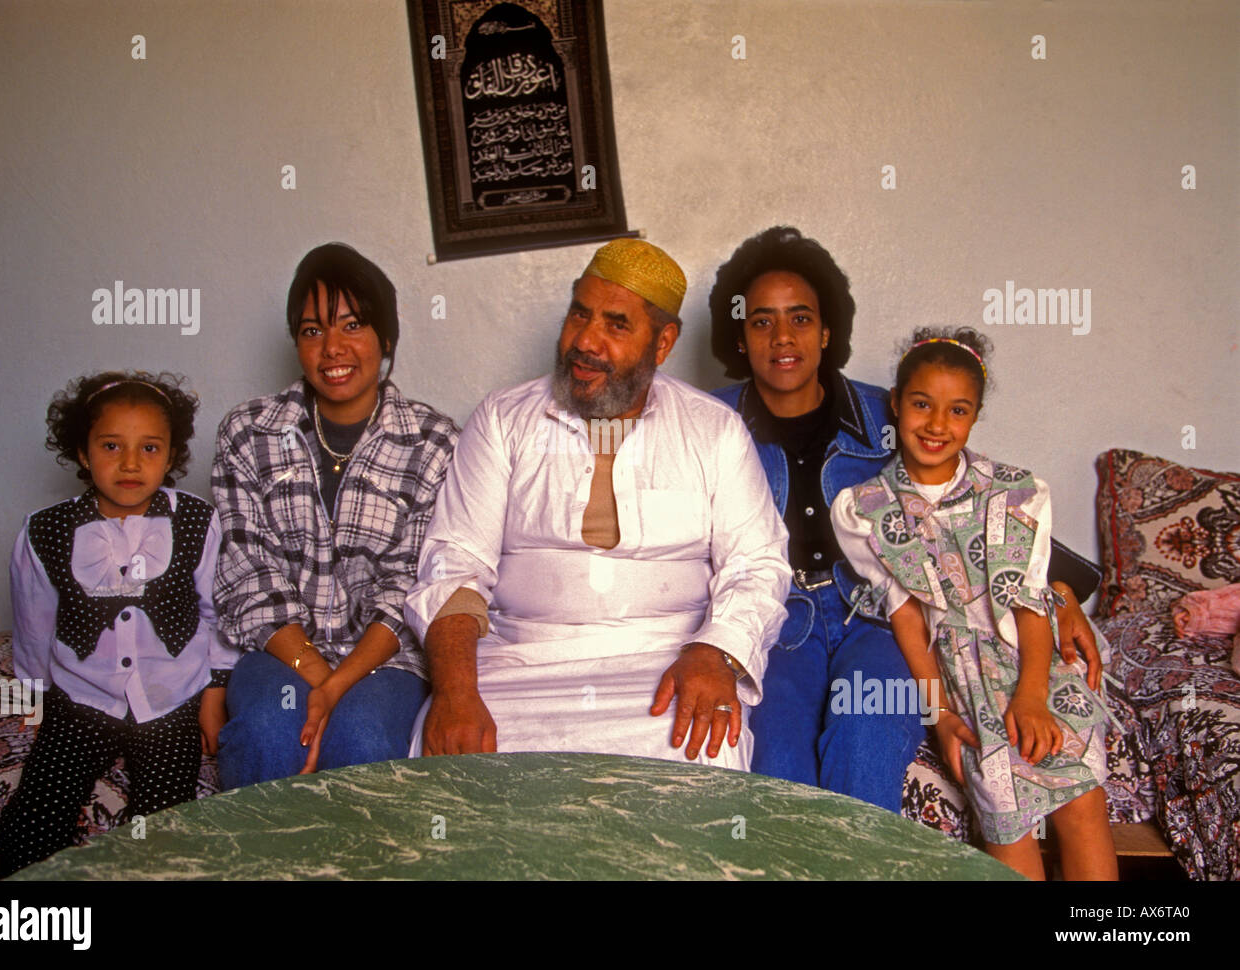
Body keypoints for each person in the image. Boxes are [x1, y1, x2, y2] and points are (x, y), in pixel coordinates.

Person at [708, 227, 1104, 811]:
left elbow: (985, 506)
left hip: (884, 619)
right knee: (777, 769)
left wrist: (1060, 594)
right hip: (776, 622)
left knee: (863, 735)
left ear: (826, 330)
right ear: (739, 336)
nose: (783, 337)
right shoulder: (711, 426)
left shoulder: (896, 410)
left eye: (800, 318)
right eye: (762, 320)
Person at [404, 238, 790, 767]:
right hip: (515, 671)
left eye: (616, 324)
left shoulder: (714, 431)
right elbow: (454, 565)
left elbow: (757, 565)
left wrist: (716, 650)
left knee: (704, 762)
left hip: (665, 671)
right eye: (578, 315)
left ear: (662, 343)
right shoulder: (502, 419)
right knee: (456, 772)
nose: (585, 341)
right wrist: (454, 692)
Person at [831, 327, 1118, 880]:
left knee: (1082, 801)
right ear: (896, 402)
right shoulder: (865, 510)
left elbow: (1029, 601)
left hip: (1035, 660)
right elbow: (908, 620)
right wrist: (939, 714)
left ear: (976, 415)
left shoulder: (1015, 492)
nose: (937, 425)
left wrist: (1033, 695)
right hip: (962, 674)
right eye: (921, 405)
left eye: (957, 410)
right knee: (1003, 814)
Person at [212, 243, 458, 786]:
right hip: (280, 653)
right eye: (312, 330)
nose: (332, 348)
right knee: (268, 734)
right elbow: (249, 574)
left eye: (352, 325)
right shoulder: (248, 432)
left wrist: (339, 687)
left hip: (385, 662)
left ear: (386, 338)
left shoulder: (433, 442)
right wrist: (319, 679)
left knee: (362, 737)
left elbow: (412, 585)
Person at [1, 371, 233, 874]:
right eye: (111, 446)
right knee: (37, 815)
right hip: (82, 698)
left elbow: (217, 614)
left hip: (172, 699)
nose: (131, 463)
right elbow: (35, 623)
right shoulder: (46, 530)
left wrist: (215, 692)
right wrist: (37, 698)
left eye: (150, 448)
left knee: (164, 826)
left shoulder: (197, 521)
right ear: (83, 453)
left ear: (170, 457)